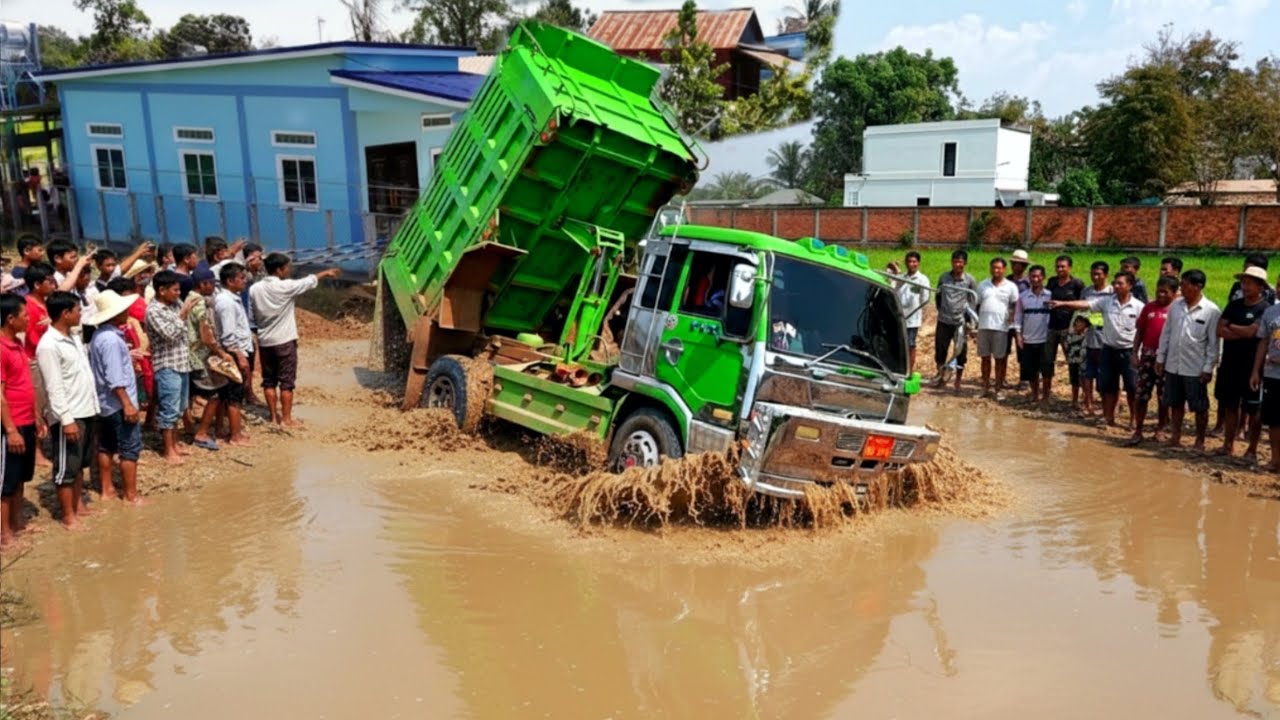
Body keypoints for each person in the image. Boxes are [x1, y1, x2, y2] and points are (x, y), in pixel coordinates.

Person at [250, 254, 340, 426]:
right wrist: (326, 273)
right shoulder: (286, 286)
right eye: (286, 268)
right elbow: (308, 281)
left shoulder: (255, 289)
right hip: (284, 340)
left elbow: (253, 313)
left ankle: (273, 417)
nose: (288, 270)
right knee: (287, 382)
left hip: (265, 341)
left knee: (268, 381)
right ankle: (287, 419)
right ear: (278, 270)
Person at [35, 291, 100, 529]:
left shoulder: (72, 336)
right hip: (70, 413)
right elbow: (54, 386)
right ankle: (68, 516)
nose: (80, 313)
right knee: (66, 466)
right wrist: (66, 419)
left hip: (86, 408)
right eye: (77, 310)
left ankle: (78, 505)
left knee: (80, 462)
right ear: (65, 313)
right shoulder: (49, 345)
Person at [1052, 271, 1145, 428]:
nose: (1116, 286)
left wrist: (1137, 352)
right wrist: (1062, 304)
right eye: (1115, 283)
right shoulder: (1107, 301)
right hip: (1108, 350)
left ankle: (1133, 420)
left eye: (1120, 283)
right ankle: (1108, 417)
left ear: (1130, 286)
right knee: (1108, 387)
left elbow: (1142, 331)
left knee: (1132, 387)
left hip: (1129, 351)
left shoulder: (1139, 307)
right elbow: (1086, 304)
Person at [89, 290, 145, 504]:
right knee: (129, 449)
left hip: (105, 403)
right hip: (118, 403)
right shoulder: (111, 340)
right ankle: (130, 495)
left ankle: (107, 488)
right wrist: (127, 404)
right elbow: (114, 378)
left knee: (106, 446)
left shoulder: (99, 336)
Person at [1155, 270, 1221, 452]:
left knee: (1199, 406)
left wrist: (1208, 368)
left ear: (1197, 287)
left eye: (1184, 285)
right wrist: (1161, 357)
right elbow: (1166, 333)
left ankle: (1199, 440)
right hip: (1173, 364)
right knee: (1175, 403)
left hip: (1195, 367)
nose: (1181, 289)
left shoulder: (1211, 311)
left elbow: (1213, 344)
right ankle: (1175, 436)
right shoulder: (1176, 306)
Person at [2, 294, 46, 547]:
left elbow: (25, 385)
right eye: (25, 315)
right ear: (10, 319)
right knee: (6, 480)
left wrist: (36, 415)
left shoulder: (17, 345)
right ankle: (5, 534)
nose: (29, 319)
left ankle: (17, 523)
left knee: (20, 477)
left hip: (26, 419)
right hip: (11, 424)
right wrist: (10, 430)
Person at [146, 271, 201, 464]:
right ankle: (168, 450)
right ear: (162, 290)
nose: (179, 293)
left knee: (178, 407)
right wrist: (184, 312)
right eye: (175, 290)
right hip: (167, 365)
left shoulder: (174, 304)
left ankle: (175, 445)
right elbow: (170, 334)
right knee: (168, 409)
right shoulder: (154, 311)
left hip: (181, 363)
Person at [1216, 266, 1269, 462]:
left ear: (1260, 286)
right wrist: (1240, 330)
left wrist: (1231, 327)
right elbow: (1219, 330)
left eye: (1249, 283)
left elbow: (1252, 332)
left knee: (1252, 408)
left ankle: (1252, 449)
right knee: (1230, 404)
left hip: (1253, 365)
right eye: (1243, 282)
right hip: (1230, 362)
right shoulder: (1234, 305)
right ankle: (1227, 444)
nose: (1245, 286)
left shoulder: (1265, 309)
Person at [1127, 275, 1178, 446]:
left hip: (1168, 358)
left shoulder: (1176, 310)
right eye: (1158, 290)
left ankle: (1160, 428)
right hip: (1148, 356)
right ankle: (1138, 429)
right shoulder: (1148, 307)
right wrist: (1135, 352)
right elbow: (1140, 332)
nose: (1161, 294)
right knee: (1141, 394)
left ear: (1174, 293)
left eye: (1165, 292)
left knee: (1163, 396)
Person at [187, 268, 230, 451]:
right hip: (199, 356)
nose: (213, 287)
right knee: (214, 395)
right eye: (211, 283)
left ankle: (189, 426)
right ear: (203, 284)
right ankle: (202, 433)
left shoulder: (188, 299)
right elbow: (206, 336)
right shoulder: (198, 304)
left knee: (189, 394)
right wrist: (221, 353)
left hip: (189, 355)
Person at [213, 263, 254, 445]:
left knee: (228, 395)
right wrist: (240, 356)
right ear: (230, 281)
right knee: (234, 396)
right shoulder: (226, 302)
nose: (244, 281)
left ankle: (223, 429)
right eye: (241, 278)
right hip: (234, 354)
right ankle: (235, 435)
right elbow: (228, 336)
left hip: (239, 350)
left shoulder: (232, 298)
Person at [976, 257, 1019, 400]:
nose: (996, 270)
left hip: (1001, 327)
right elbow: (977, 304)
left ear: (1004, 269)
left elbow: (1015, 305)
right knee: (985, 358)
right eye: (993, 267)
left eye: (999, 268)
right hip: (984, 326)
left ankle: (999, 389)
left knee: (1000, 359)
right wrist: (974, 324)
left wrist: (1012, 317)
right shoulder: (983, 285)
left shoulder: (1011, 286)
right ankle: (985, 387)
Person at [934, 250, 978, 391]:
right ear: (951, 262)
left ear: (965, 263)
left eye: (960, 262)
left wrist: (969, 322)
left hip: (960, 322)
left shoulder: (970, 281)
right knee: (940, 350)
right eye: (955, 261)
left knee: (960, 352)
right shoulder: (944, 278)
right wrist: (942, 311)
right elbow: (938, 297)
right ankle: (942, 376)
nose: (957, 264)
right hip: (944, 320)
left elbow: (973, 301)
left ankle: (958, 381)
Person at [1045, 254, 1084, 402]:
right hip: (1051, 327)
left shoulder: (1077, 284)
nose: (1060, 269)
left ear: (1070, 268)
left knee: (1073, 362)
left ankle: (1075, 397)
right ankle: (1046, 393)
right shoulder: (1052, 282)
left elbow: (1083, 304)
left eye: (1063, 266)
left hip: (1069, 329)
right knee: (1048, 361)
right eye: (1057, 266)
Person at [1013, 264, 1053, 407]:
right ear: (1029, 278)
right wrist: (1018, 334)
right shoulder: (1023, 297)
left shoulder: (1050, 295)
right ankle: (1035, 394)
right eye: (1032, 276)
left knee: (1047, 370)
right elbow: (1018, 317)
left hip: (1045, 339)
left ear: (1043, 277)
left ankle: (1046, 396)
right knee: (1032, 370)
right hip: (1028, 338)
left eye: (1038, 276)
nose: (1035, 279)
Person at [1250, 283, 1280, 473]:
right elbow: (1263, 342)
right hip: (1272, 374)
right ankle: (1275, 460)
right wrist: (1256, 371)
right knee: (1274, 420)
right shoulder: (1270, 312)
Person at [888, 251, 931, 375]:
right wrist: (893, 271)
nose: (911, 264)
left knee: (910, 345)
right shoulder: (901, 277)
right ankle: (897, 369)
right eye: (909, 261)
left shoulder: (922, 279)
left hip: (912, 319)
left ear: (918, 263)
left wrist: (917, 310)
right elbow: (892, 288)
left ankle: (909, 371)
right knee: (897, 344)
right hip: (899, 317)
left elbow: (925, 299)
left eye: (914, 262)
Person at [1079, 261, 1112, 416]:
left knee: (1105, 374)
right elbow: (1082, 310)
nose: (1095, 277)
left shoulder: (1112, 292)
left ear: (1106, 275)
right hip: (1089, 335)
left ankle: (1109, 406)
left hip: (1107, 338)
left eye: (1098, 274)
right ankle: (1088, 403)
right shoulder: (1087, 291)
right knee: (1087, 373)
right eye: (1093, 274)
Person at [1007, 249, 1031, 388]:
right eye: (1014, 263)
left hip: (1022, 320)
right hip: (1007, 319)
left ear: (1024, 266)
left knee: (1022, 349)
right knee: (1003, 350)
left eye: (1019, 264)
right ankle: (1001, 378)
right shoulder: (1007, 280)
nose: (1016, 266)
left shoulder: (1028, 282)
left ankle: (1024, 378)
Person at [1065, 313, 1090, 405]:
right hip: (1073, 361)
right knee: (1074, 381)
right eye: (1077, 323)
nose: (1078, 325)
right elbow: (1067, 345)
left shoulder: (1087, 336)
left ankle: (1086, 400)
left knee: (1084, 381)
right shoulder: (1070, 335)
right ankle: (1074, 400)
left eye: (1081, 323)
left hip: (1083, 361)